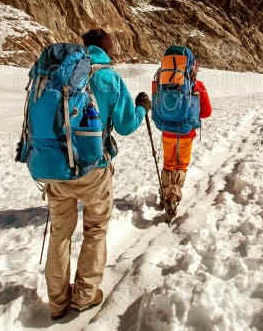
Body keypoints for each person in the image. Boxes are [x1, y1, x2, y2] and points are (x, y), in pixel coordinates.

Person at [45, 28, 150, 320]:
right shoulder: (108, 77)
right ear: (106, 49)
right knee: (95, 230)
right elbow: (126, 125)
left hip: (57, 167)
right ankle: (85, 295)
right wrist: (142, 108)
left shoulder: (60, 72)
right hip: (94, 169)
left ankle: (57, 301)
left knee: (60, 234)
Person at [154, 55, 212, 218]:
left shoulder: (162, 84)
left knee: (168, 163)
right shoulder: (198, 86)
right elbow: (207, 112)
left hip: (167, 131)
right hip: (186, 132)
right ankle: (173, 196)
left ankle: (165, 192)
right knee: (181, 165)